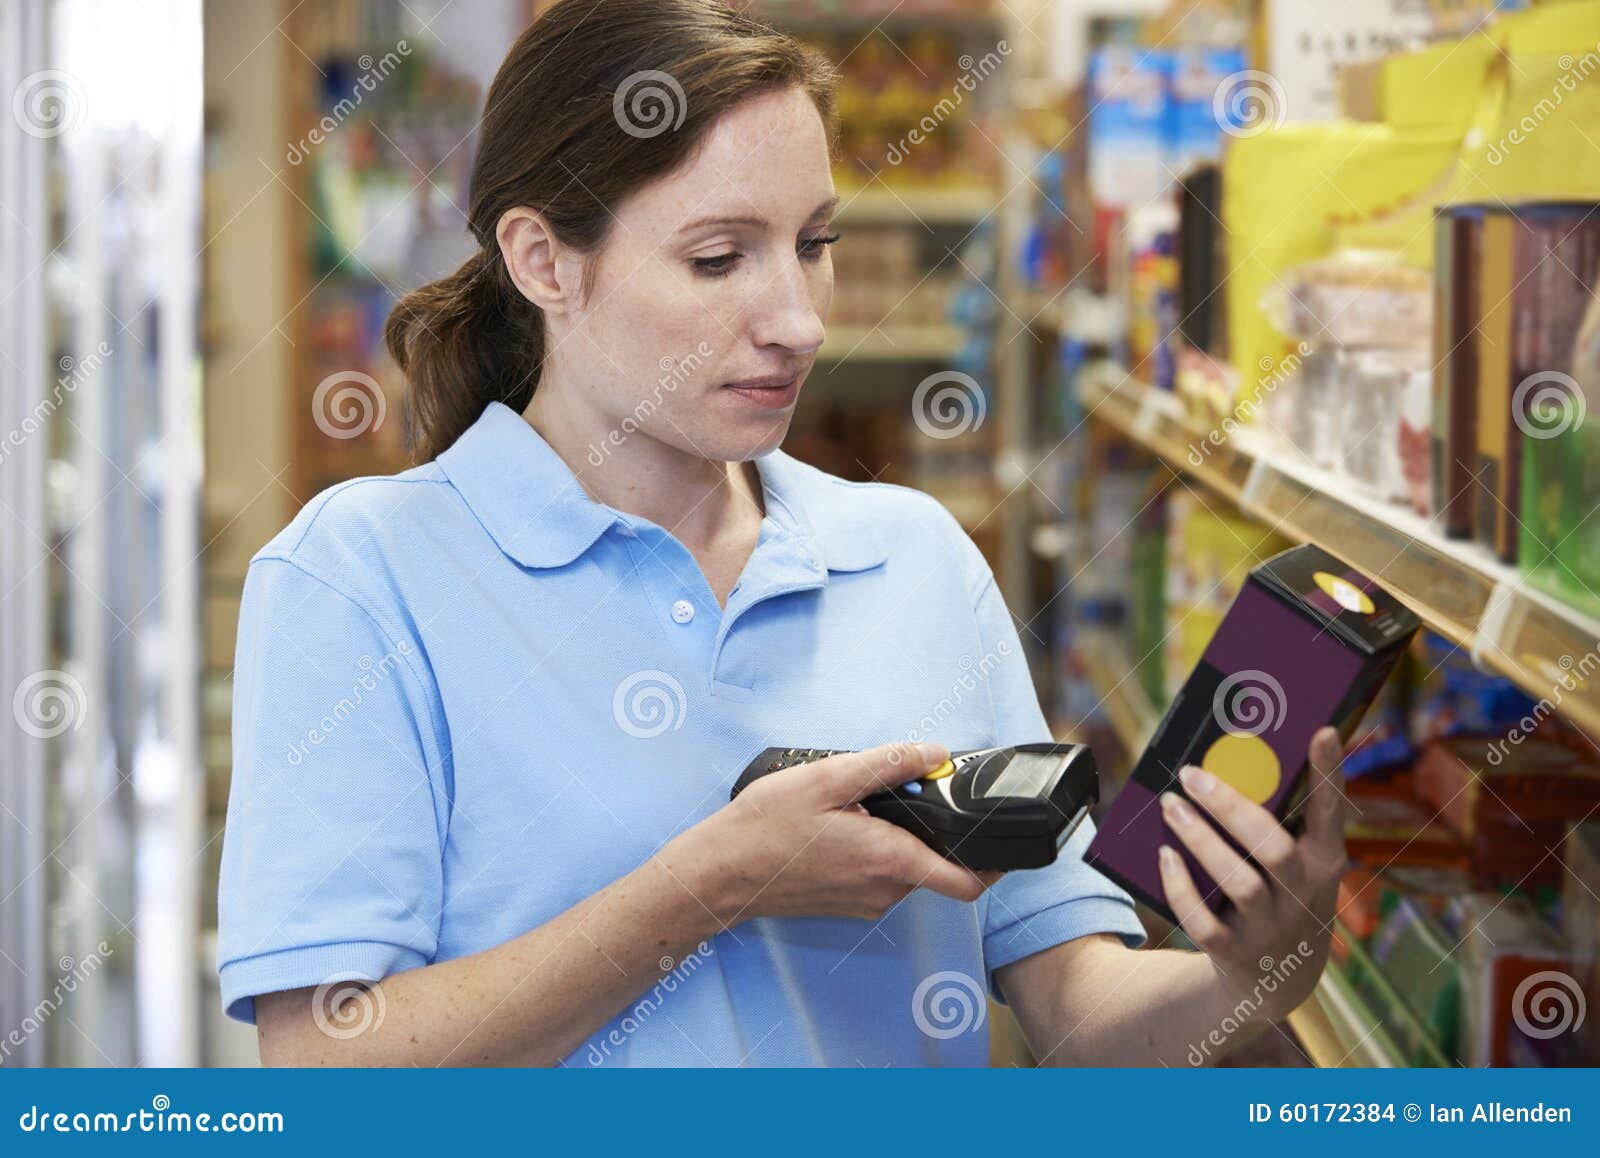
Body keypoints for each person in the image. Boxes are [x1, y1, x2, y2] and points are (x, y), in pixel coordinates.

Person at [218, 0, 1348, 1067]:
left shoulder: (917, 561)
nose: (800, 321)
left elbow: (1072, 1009)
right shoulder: (364, 576)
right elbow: (324, 1064)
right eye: (717, 259)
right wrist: (715, 883)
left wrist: (1256, 971)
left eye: (812, 242)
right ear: (542, 261)